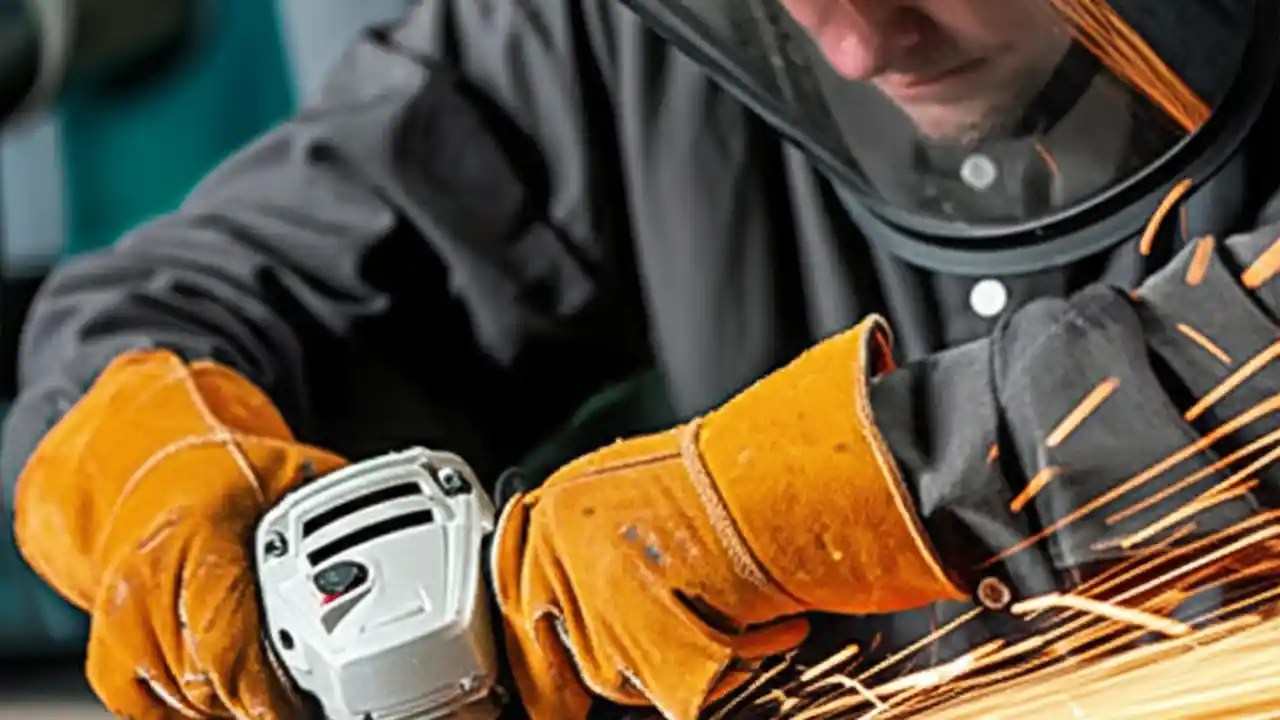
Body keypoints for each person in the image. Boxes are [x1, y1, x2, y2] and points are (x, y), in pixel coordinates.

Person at [5, 0, 1280, 718]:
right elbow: (176, 302)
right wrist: (157, 463)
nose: (855, 42)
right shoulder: (618, 44)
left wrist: (836, 493)